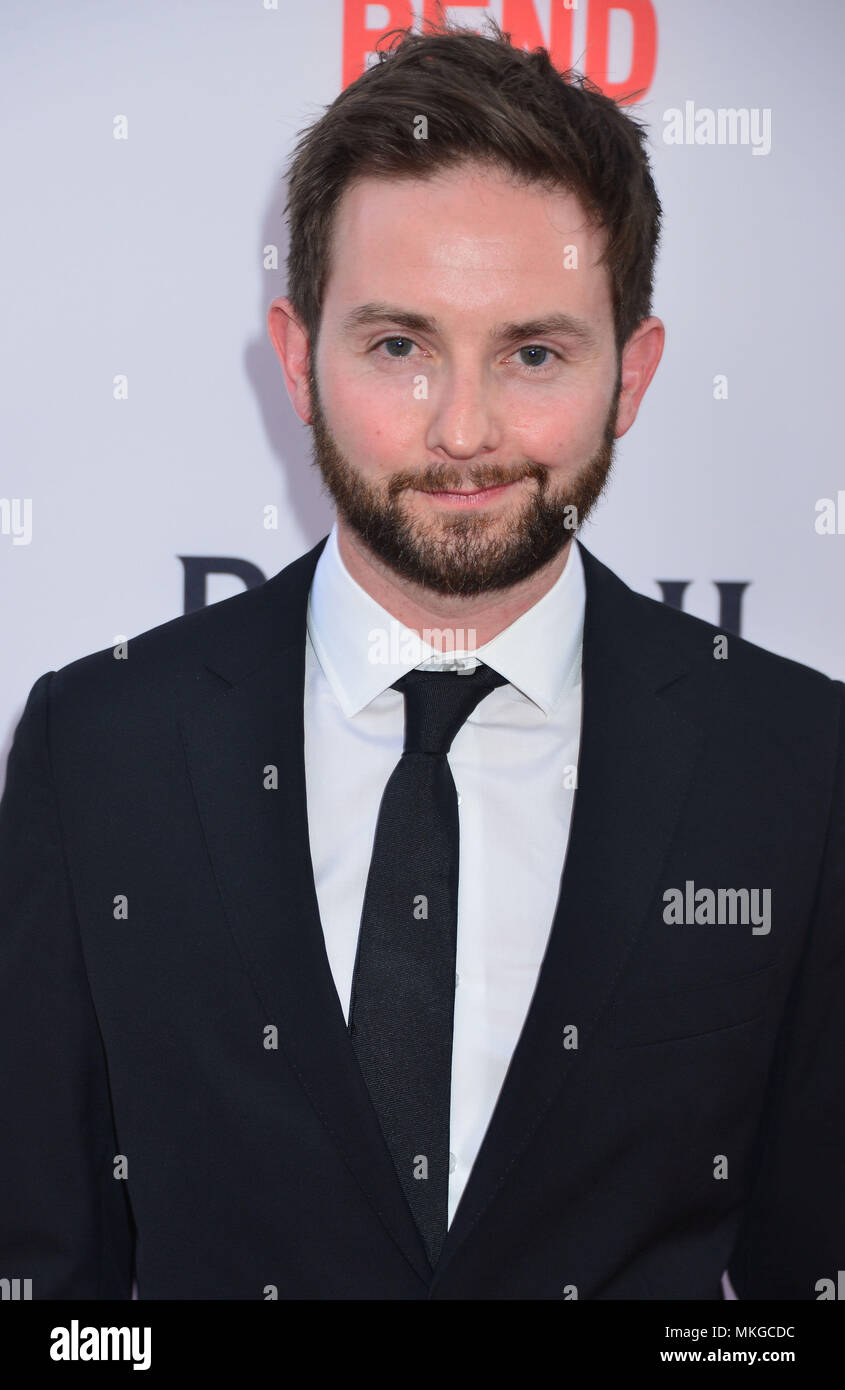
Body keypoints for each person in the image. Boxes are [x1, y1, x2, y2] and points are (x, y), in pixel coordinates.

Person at [0, 18, 842, 1301]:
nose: (463, 431)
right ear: (297, 360)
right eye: (399, 346)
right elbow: (49, 1292)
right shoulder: (100, 744)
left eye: (534, 353)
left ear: (631, 374)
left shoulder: (794, 763)